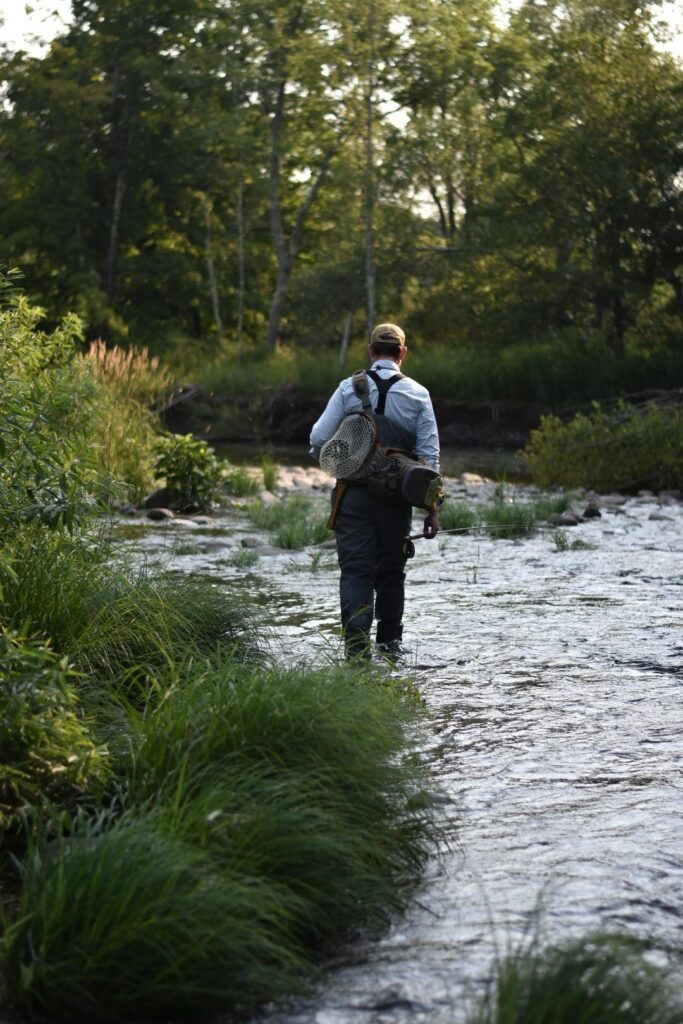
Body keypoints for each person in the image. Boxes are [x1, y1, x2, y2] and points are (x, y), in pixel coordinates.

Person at [310, 322, 440, 659]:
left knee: (355, 570)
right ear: (402, 353)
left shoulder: (347, 388)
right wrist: (432, 509)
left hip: (351, 495)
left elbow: (318, 438)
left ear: (371, 351)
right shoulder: (418, 394)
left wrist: (340, 457)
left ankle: (356, 654)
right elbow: (429, 459)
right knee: (392, 571)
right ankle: (389, 648)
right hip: (397, 499)